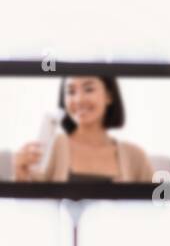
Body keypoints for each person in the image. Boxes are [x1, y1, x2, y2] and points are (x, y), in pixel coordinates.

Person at [12, 75, 154, 182]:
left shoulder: (135, 156)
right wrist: (20, 176)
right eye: (71, 92)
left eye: (88, 89)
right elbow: (32, 209)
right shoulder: (52, 146)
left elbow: (156, 209)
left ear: (109, 96)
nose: (79, 100)